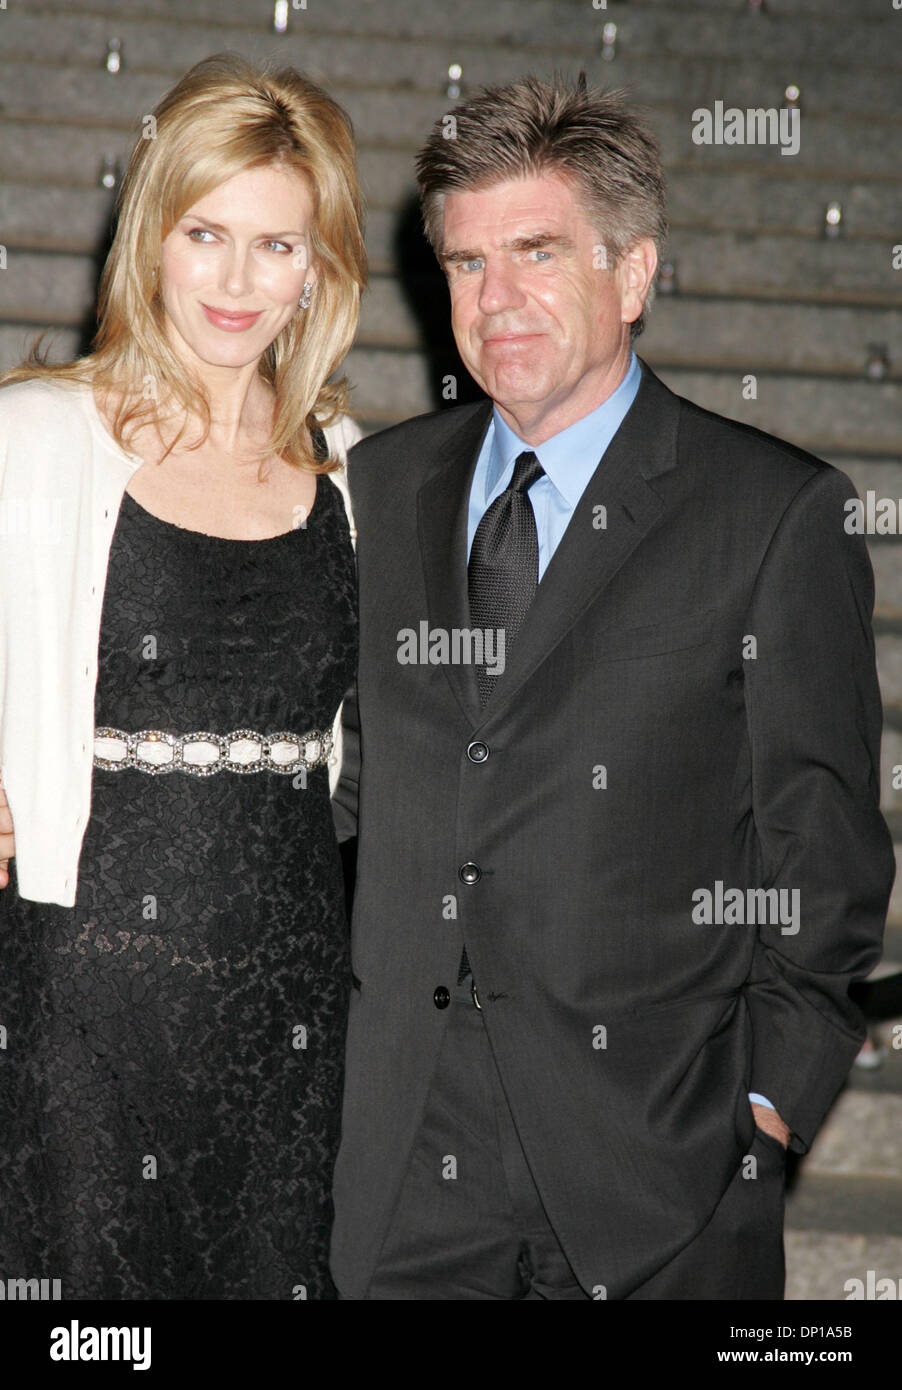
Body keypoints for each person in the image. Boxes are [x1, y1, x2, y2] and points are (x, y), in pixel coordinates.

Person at [328, 75, 894, 1300]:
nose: (496, 299)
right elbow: (343, 789)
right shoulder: (377, 488)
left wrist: (764, 1110)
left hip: (657, 1175)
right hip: (400, 1170)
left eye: (537, 253)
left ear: (631, 274)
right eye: (465, 262)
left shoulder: (769, 513)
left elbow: (826, 851)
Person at [0, 52, 365, 1300]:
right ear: (151, 231)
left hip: (293, 997)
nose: (237, 279)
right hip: (83, 985)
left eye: (277, 244)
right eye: (206, 232)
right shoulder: (40, 435)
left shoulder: (352, 472)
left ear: (319, 264)